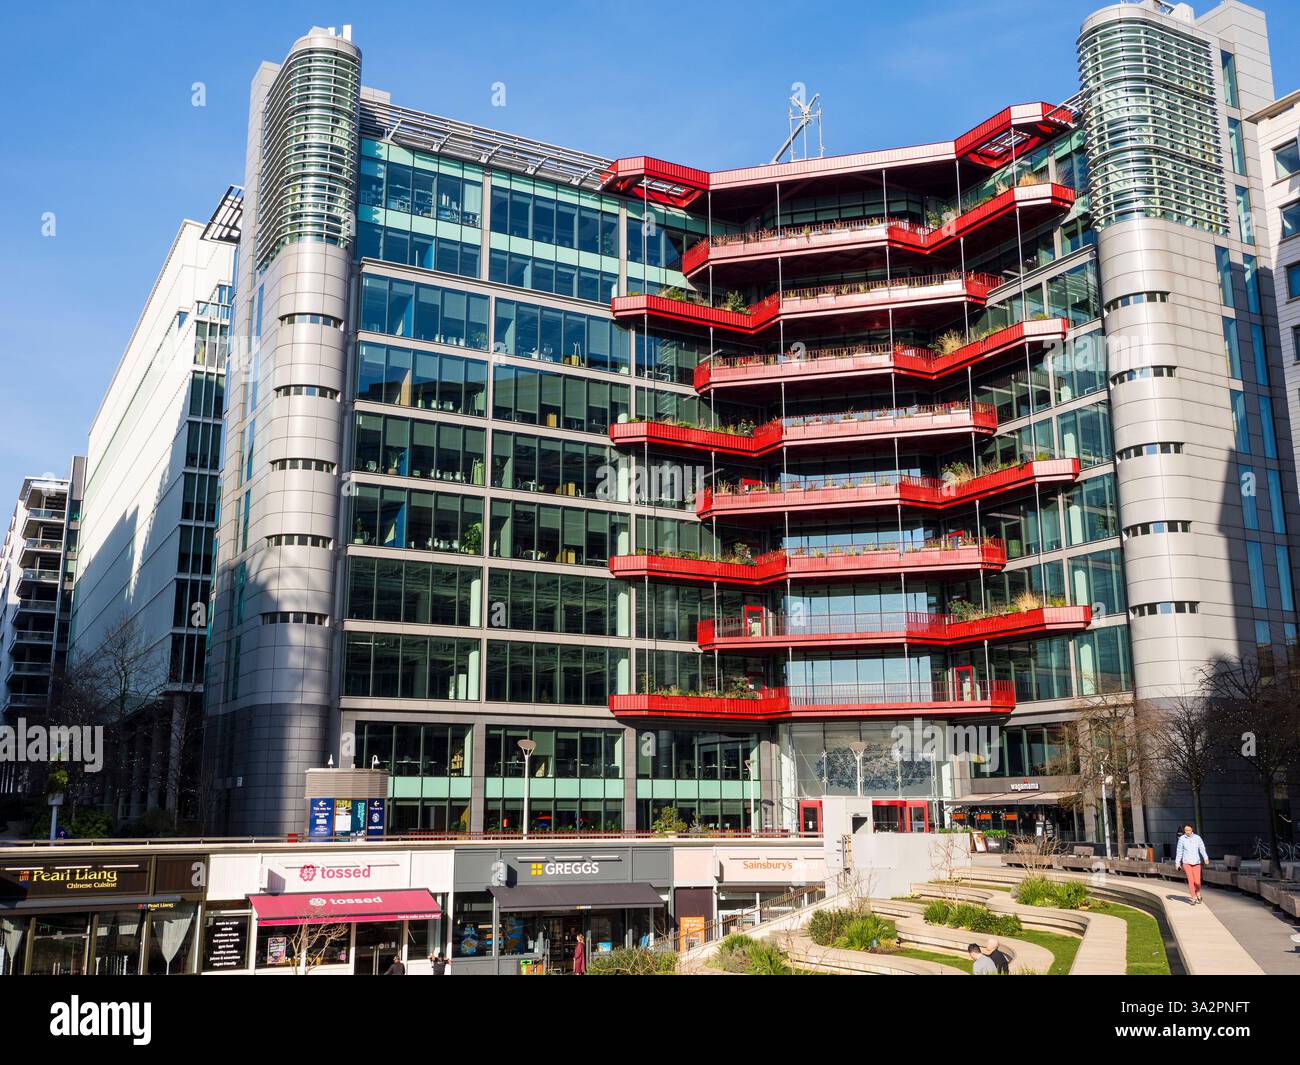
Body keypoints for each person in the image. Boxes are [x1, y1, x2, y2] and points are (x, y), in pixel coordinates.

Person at [1174, 823, 1209, 905]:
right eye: (1186, 830)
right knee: (1190, 880)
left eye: (1189, 830)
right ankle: (1193, 897)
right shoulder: (1182, 839)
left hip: (1196, 862)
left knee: (1197, 882)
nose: (1188, 832)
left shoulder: (1197, 838)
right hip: (1186, 862)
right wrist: (1177, 863)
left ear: (1192, 829)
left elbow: (1202, 849)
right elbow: (1179, 851)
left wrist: (1205, 858)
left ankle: (1198, 892)